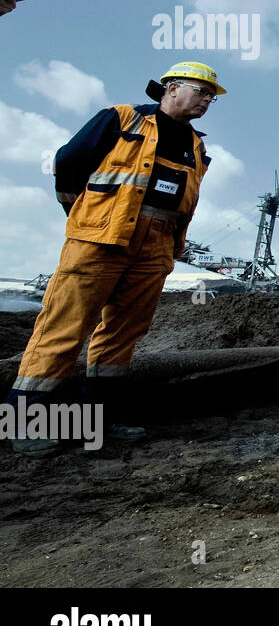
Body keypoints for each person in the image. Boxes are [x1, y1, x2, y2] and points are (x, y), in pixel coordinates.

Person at [6, 61, 222, 455]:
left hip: (156, 248)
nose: (207, 99)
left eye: (211, 96)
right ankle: (24, 421)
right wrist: (86, 217)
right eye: (201, 90)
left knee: (123, 334)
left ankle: (100, 421)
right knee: (64, 326)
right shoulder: (122, 119)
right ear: (171, 88)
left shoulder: (197, 146)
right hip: (99, 240)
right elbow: (68, 163)